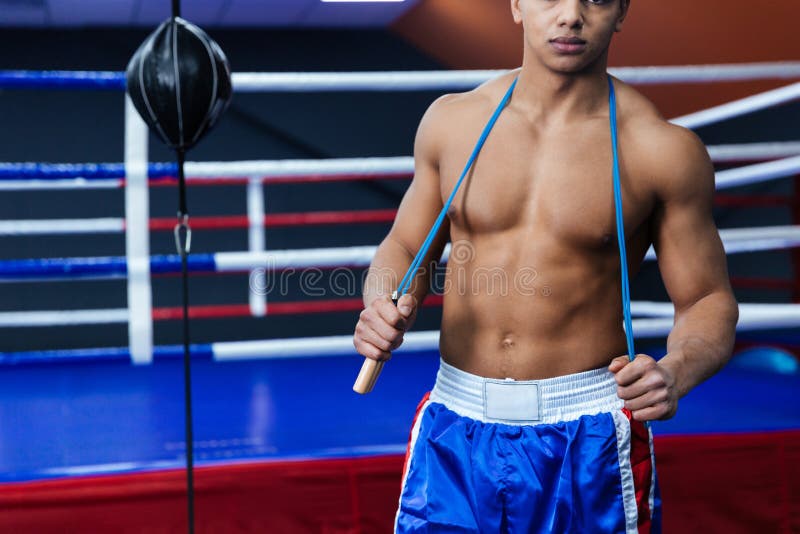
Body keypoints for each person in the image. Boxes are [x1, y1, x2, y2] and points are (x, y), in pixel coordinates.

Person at [352, 0, 739, 532]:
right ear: (516, 5)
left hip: (587, 432)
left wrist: (676, 371)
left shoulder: (660, 150)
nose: (571, 15)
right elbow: (402, 247)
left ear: (622, 11)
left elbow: (707, 300)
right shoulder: (452, 122)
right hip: (455, 421)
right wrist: (380, 304)